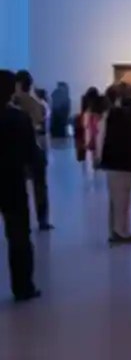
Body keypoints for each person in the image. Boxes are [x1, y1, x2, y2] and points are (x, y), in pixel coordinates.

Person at [0, 70, 41, 302]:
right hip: (12, 182)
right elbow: (31, 154)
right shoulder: (18, 118)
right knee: (18, 238)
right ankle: (23, 286)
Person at [97, 83, 131, 244]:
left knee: (116, 198)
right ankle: (121, 231)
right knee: (122, 198)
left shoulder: (110, 114)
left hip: (114, 161)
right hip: (124, 161)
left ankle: (118, 230)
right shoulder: (123, 115)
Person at [13, 70, 52, 231]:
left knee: (18, 187)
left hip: (17, 151)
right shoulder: (37, 102)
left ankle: (20, 221)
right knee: (40, 186)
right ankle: (42, 220)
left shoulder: (14, 103)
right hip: (36, 148)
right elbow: (41, 125)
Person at [76, 87, 103, 168]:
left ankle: (94, 163)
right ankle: (96, 163)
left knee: (94, 147)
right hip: (95, 131)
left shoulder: (87, 107)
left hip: (90, 131)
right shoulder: (99, 107)